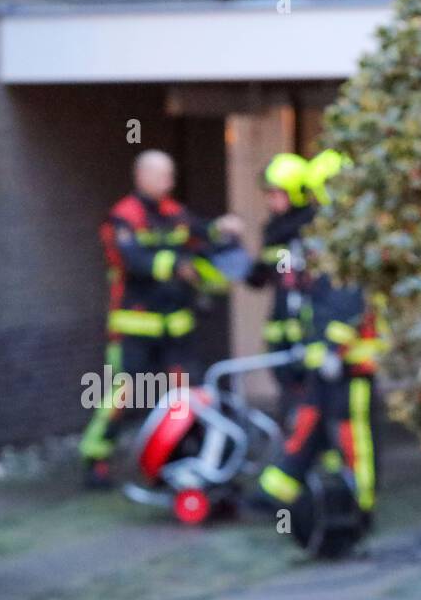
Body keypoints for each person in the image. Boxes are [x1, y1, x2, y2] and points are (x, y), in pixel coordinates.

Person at [79, 150, 242, 488]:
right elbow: (132, 259)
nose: (169, 181)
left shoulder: (175, 213)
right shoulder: (124, 216)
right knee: (123, 393)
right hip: (135, 326)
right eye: (162, 175)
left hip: (177, 326)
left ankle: (182, 454)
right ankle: (96, 458)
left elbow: (203, 233)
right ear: (142, 176)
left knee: (187, 395)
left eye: (171, 175)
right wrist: (175, 265)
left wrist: (220, 228)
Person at [256, 150, 390, 531]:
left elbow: (350, 298)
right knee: (311, 422)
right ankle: (285, 493)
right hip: (324, 358)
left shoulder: (355, 235)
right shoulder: (328, 233)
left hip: (352, 360)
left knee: (354, 436)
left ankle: (361, 508)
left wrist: (331, 346)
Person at [246, 153, 319, 422]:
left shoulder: (312, 229)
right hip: (280, 326)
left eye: (276, 193)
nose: (270, 200)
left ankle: (324, 456)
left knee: (313, 395)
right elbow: (261, 277)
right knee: (289, 394)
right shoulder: (273, 230)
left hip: (307, 326)